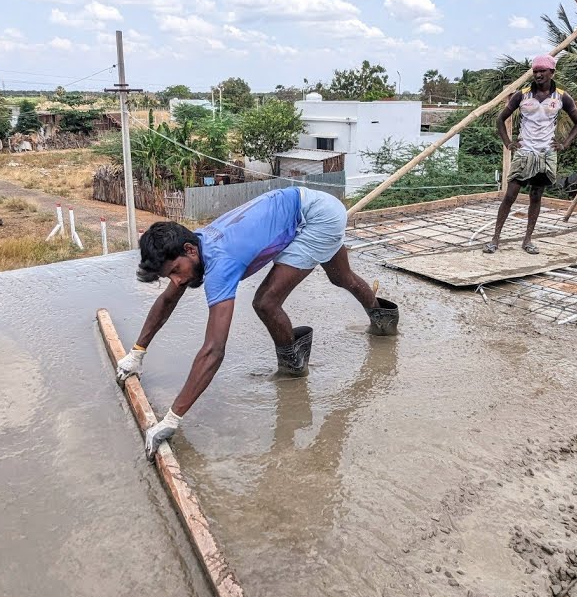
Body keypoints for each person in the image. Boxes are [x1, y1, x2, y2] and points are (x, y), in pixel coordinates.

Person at [115, 186, 399, 460]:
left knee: (266, 302)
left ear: (189, 250)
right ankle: (385, 322)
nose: (176, 281)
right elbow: (167, 300)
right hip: (316, 205)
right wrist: (136, 353)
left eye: (176, 271)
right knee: (341, 277)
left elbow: (213, 351)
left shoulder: (220, 263)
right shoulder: (199, 241)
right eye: (169, 276)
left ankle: (294, 367)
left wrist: (172, 418)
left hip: (316, 217)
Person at [483, 54, 577, 255]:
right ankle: (495, 239)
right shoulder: (522, 95)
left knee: (536, 196)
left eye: (542, 71)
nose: (538, 75)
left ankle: (527, 240)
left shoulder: (561, 97)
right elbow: (500, 119)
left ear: (551, 72)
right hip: (524, 152)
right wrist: (508, 143)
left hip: (546, 154)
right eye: (535, 71)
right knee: (510, 195)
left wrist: (564, 144)